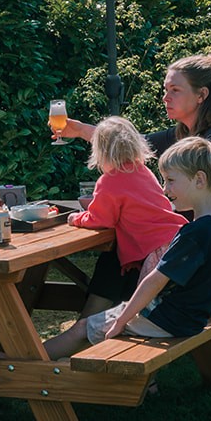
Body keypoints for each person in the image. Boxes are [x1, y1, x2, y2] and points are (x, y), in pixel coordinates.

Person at [56, 51, 211, 289]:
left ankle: (100, 324)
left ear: (202, 95)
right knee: (120, 257)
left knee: (120, 263)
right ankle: (98, 324)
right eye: (165, 89)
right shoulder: (184, 134)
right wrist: (80, 130)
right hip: (200, 255)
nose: (165, 97)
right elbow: (130, 143)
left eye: (175, 90)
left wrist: (184, 248)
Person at [41, 137, 211, 360]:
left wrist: (121, 321)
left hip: (167, 320)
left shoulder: (194, 234)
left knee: (82, 328)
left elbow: (153, 281)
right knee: (106, 319)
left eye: (171, 180)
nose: (165, 189)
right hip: (190, 317)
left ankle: (31, 364)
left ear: (199, 180)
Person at [66, 116, 188, 318]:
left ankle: (96, 324)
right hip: (174, 239)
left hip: (152, 251)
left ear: (100, 151)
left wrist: (76, 219)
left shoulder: (109, 180)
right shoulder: (143, 171)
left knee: (145, 303)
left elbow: (101, 219)